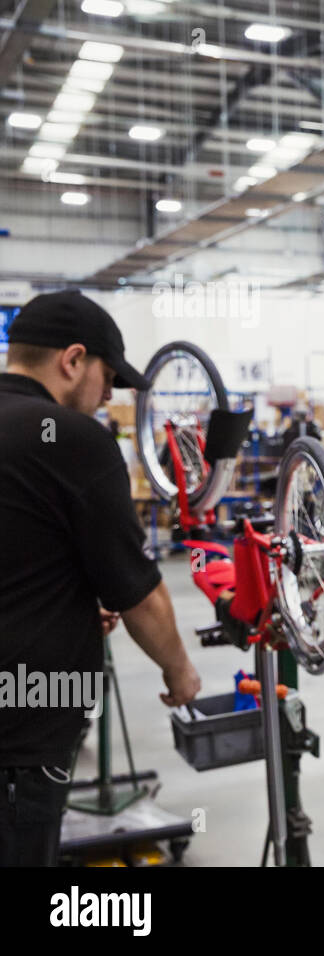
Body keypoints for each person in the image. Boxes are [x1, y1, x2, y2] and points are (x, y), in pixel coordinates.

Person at [0, 290, 202, 866]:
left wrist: (62, 607)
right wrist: (180, 673)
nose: (107, 396)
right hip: (18, 737)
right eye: (107, 377)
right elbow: (135, 590)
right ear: (72, 359)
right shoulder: (72, 439)